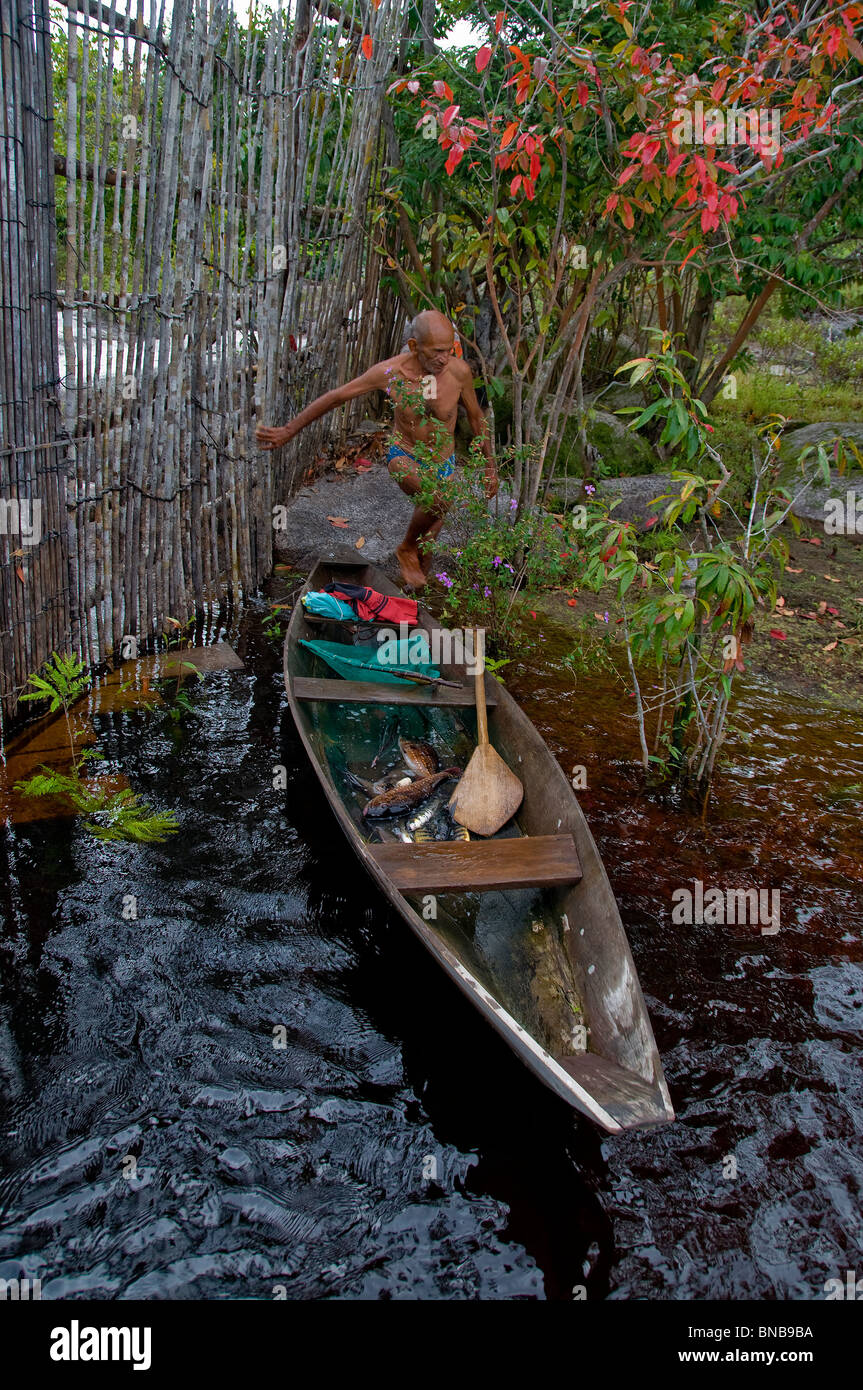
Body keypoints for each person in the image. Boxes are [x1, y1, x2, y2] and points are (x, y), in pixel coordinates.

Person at [256, 309, 497, 590]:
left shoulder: (458, 372)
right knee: (439, 501)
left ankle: (411, 601)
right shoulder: (390, 373)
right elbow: (336, 397)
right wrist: (288, 430)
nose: (444, 358)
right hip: (404, 456)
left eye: (448, 350)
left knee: (427, 549)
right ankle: (404, 548)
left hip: (443, 464)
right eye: (436, 352)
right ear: (414, 347)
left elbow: (476, 417)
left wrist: (490, 465)